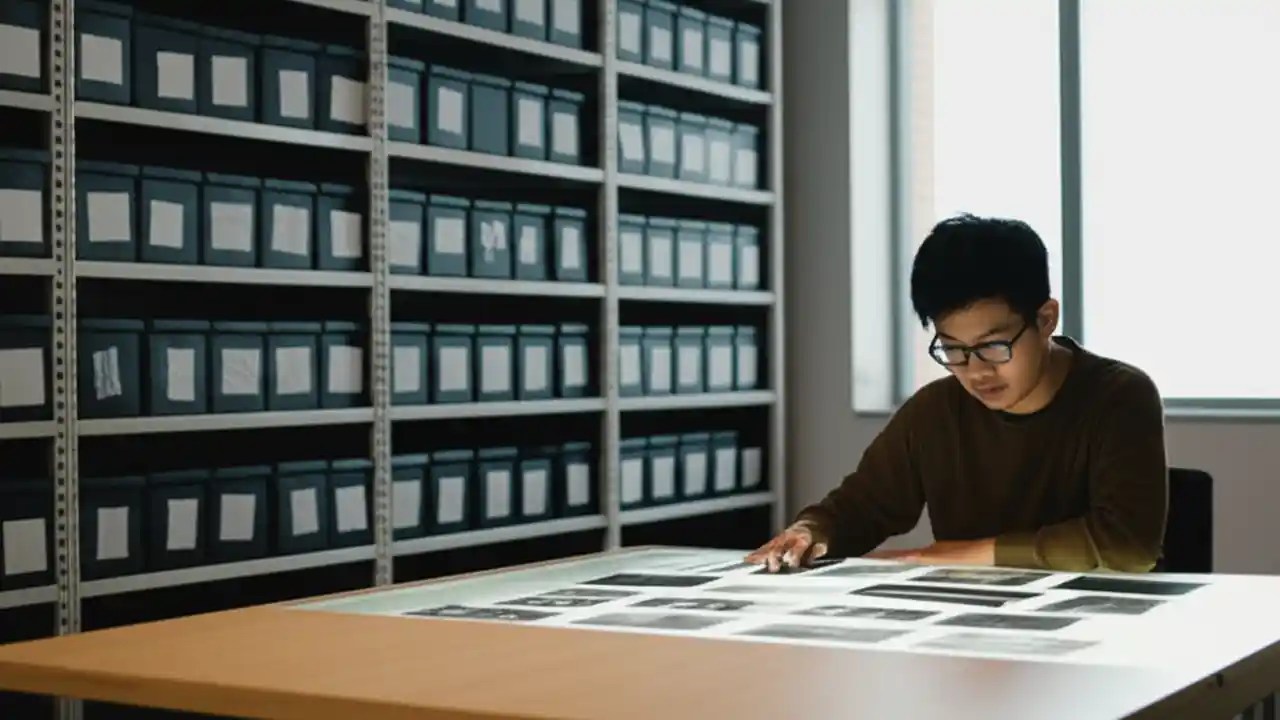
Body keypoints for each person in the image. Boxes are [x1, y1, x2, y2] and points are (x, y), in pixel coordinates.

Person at [747, 213, 1168, 573]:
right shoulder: (936, 410)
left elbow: (1128, 545)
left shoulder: (1119, 397)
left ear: (1045, 319)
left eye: (993, 346)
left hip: (1097, 629)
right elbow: (861, 507)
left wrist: (953, 555)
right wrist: (810, 532)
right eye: (953, 349)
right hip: (969, 628)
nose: (977, 370)